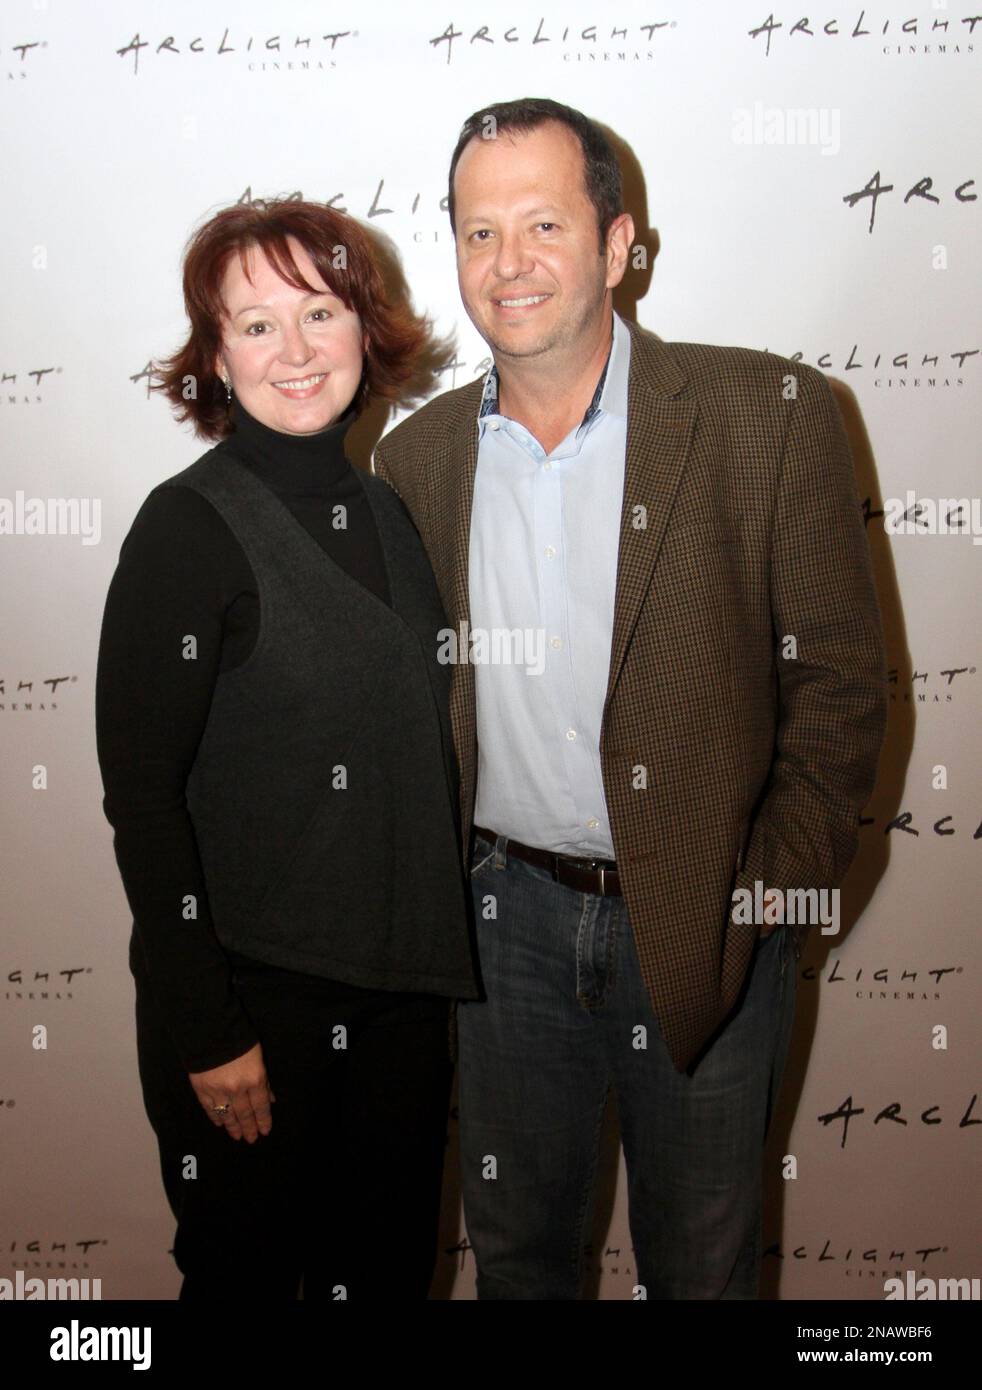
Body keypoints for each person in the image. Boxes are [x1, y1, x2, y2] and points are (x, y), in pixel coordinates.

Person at [372, 98, 888, 1299]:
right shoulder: (419, 458)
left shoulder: (770, 418)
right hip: (502, 935)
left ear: (616, 245)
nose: (509, 264)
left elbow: (840, 691)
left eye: (544, 223)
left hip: (700, 929)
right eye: (478, 231)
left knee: (702, 1272)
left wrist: (756, 900)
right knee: (520, 1265)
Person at [96, 198, 479, 1300]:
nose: (297, 351)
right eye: (256, 325)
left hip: (402, 1007)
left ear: (367, 326)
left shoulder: (388, 511)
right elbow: (145, 803)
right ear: (215, 356)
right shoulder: (186, 530)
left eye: (320, 311)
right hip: (256, 1015)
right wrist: (210, 1031)